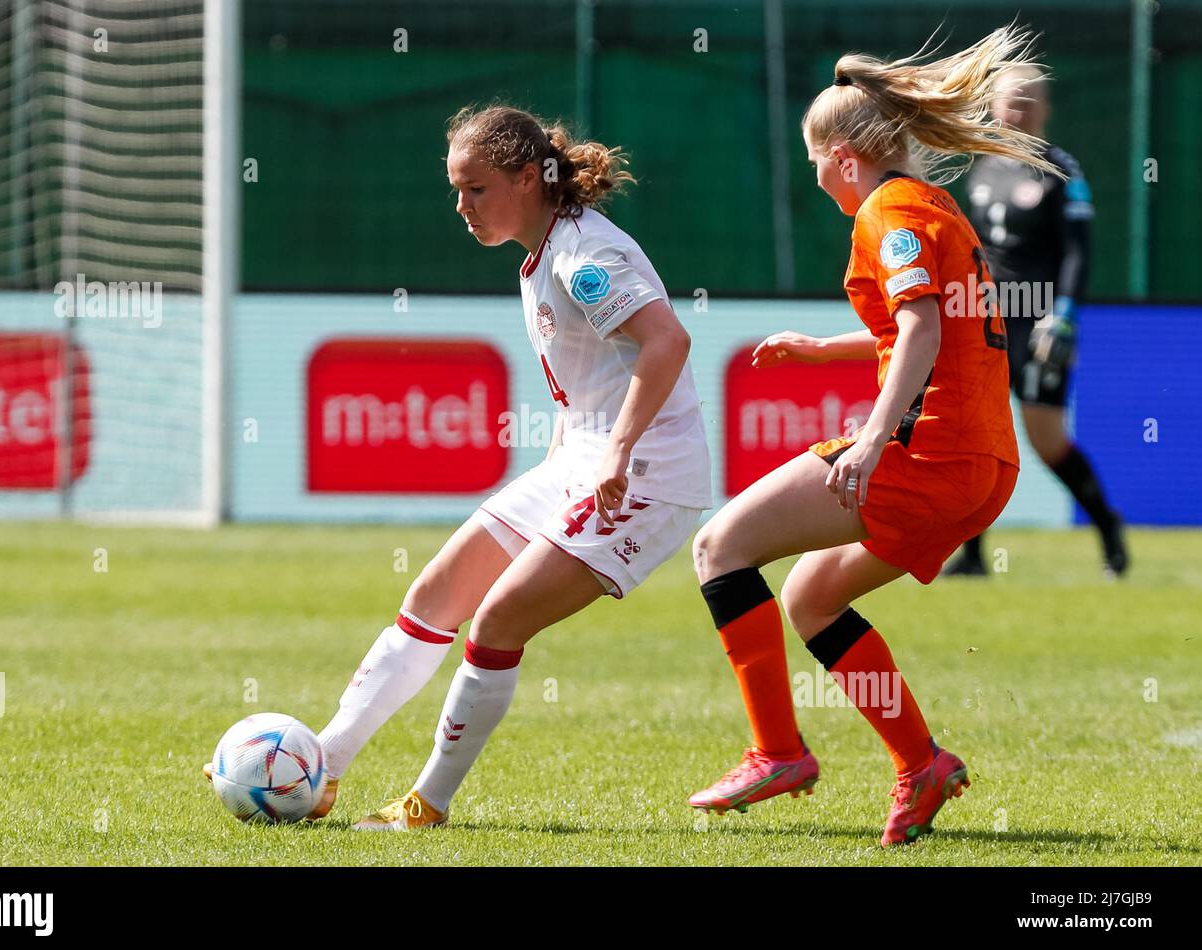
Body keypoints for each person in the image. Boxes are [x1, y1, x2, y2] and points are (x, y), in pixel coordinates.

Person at [684, 26, 1050, 846]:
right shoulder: (932, 206)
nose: (815, 176)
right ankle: (920, 765)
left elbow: (920, 329)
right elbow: (931, 327)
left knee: (719, 547)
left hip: (932, 452)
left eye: (816, 160)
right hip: (985, 466)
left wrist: (873, 438)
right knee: (812, 598)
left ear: (844, 155)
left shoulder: (887, 211)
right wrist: (828, 348)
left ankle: (776, 751)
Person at [300, 105, 711, 829]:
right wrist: (568, 455)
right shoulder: (545, 250)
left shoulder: (585, 259)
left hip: (644, 475)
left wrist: (614, 451)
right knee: (435, 595)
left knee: (495, 623)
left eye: (476, 190)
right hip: (582, 460)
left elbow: (667, 343)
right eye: (455, 191)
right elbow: (597, 374)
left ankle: (427, 804)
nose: (461, 208)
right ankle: (320, 767)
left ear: (527, 178)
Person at [944, 66, 1127, 577]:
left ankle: (1109, 528)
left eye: (1028, 101)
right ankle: (975, 557)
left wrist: (1062, 316)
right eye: (1009, 101)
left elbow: (1077, 254)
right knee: (975, 433)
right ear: (994, 106)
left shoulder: (1061, 171)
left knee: (1046, 440)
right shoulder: (979, 166)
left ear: (1045, 109)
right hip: (985, 320)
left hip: (1040, 321)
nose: (1018, 111)